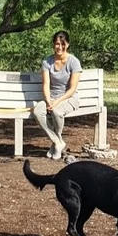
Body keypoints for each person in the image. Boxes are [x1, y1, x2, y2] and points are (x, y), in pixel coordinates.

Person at [32, 30, 82, 160]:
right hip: (52, 98)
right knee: (38, 111)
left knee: (57, 112)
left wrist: (57, 102)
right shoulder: (47, 62)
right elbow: (46, 84)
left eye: (62, 44)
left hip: (69, 98)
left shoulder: (73, 62)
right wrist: (48, 100)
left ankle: (57, 143)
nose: (59, 47)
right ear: (53, 45)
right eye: (57, 44)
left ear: (68, 44)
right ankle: (57, 141)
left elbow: (72, 89)